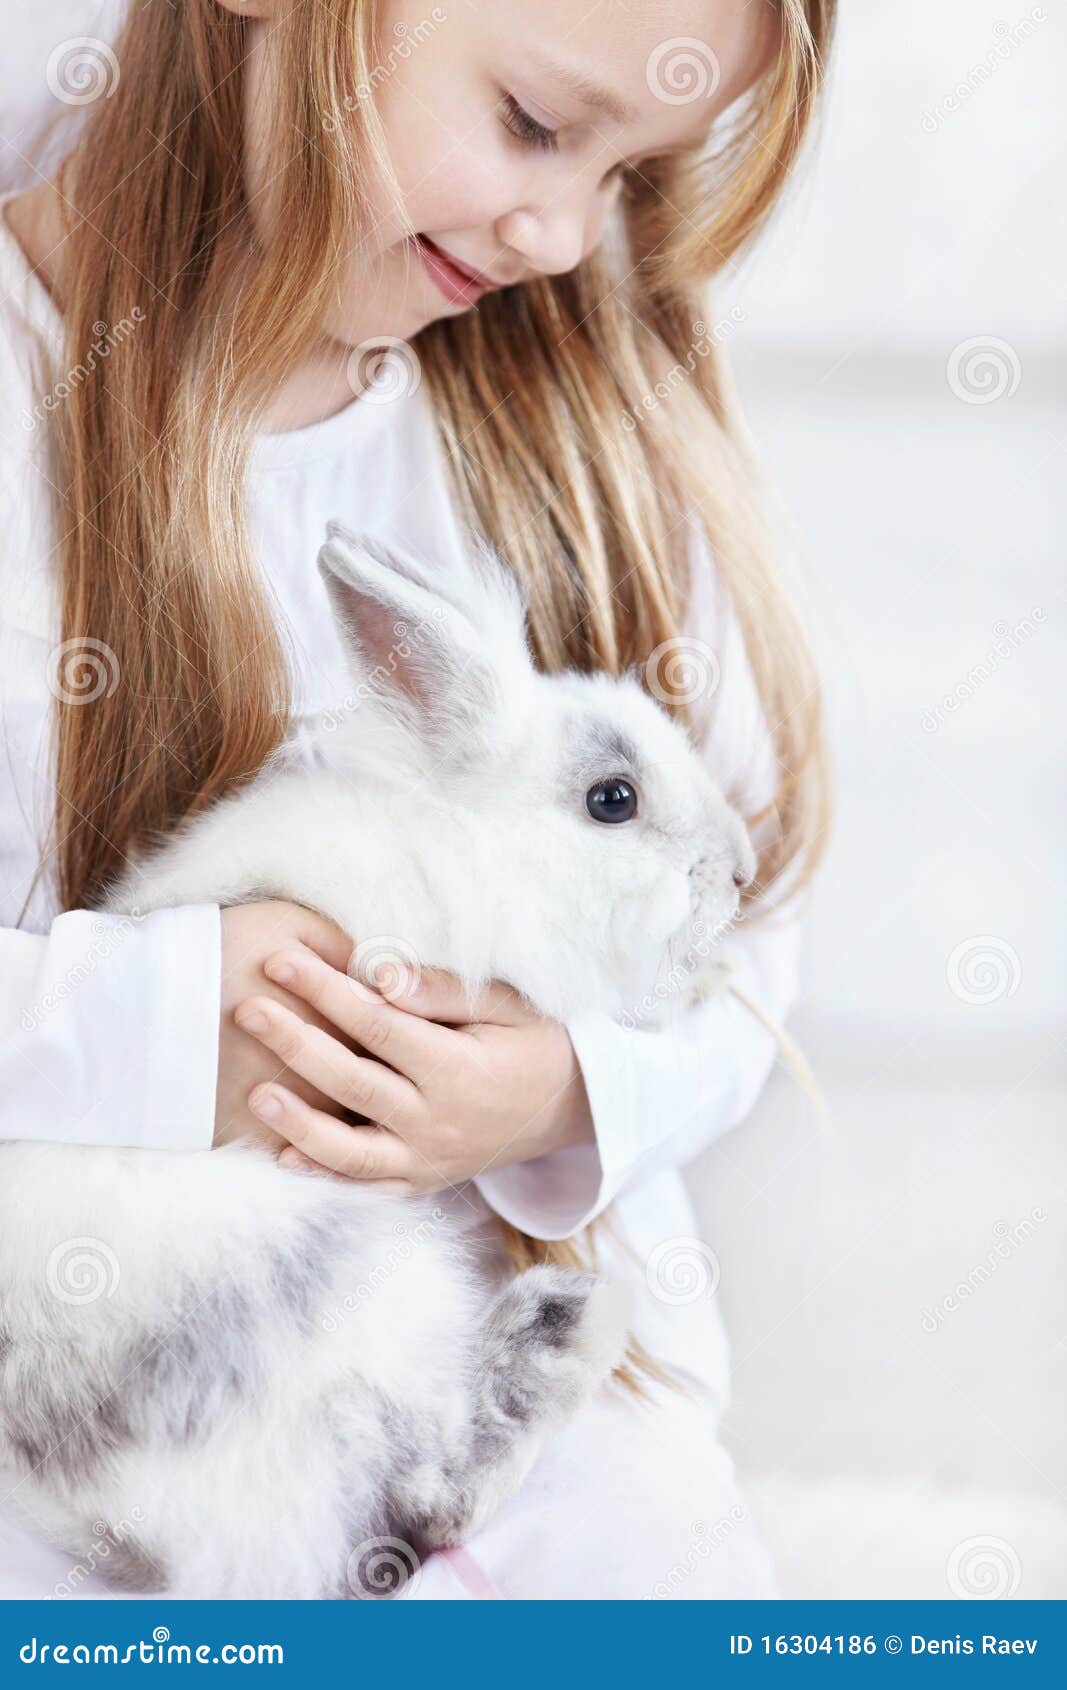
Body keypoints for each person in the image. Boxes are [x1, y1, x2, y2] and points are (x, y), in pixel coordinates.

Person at [0, 0, 833, 1598]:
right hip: (92, 1452)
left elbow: (754, 930)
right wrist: (174, 1027)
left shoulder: (563, 424)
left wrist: (566, 1091)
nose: (564, 232)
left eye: (630, 169)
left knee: (646, 1570)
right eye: (532, 123)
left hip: (516, 1409)